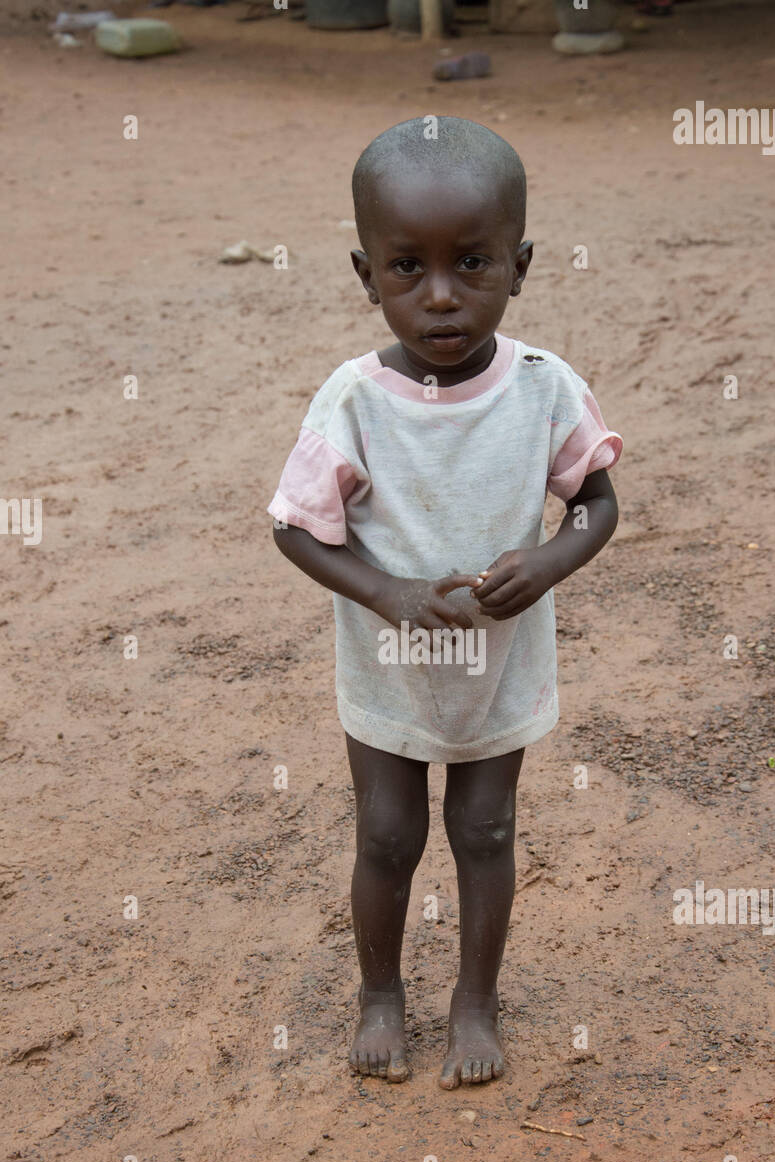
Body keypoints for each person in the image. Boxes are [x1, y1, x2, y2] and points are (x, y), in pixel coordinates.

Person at [268, 116, 622, 1089]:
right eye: (405, 268)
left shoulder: (544, 390)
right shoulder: (353, 402)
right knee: (388, 835)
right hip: (390, 668)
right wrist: (388, 591)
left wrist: (548, 562)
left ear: (521, 264)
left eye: (472, 263)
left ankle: (475, 1000)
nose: (439, 295)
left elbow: (596, 503)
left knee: (486, 829)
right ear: (365, 274)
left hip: (499, 666)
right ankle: (381, 994)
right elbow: (295, 528)